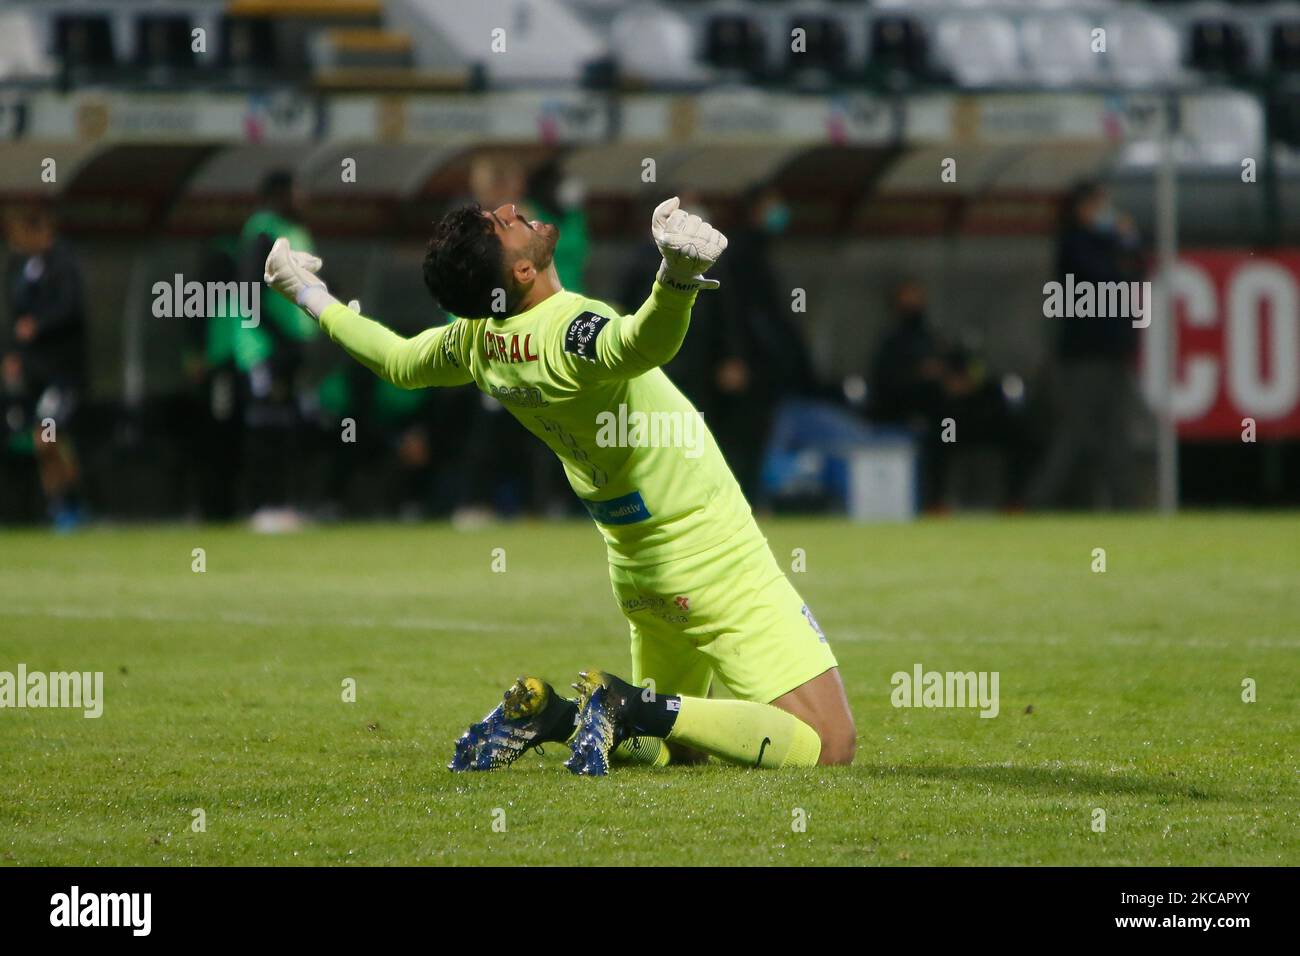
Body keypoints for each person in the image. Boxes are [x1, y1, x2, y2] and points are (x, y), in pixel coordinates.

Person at [263, 197, 856, 774]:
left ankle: (557, 716)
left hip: (639, 566)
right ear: (521, 269)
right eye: (502, 225)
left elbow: (395, 358)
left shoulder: (478, 343)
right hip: (712, 555)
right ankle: (627, 702)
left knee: (677, 744)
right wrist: (676, 279)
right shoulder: (568, 330)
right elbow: (640, 344)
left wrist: (307, 294)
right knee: (828, 745)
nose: (511, 210)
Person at [1027, 181, 1145, 509]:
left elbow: (1136, 274)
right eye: (1098, 206)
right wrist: (1121, 245)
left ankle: (1126, 505)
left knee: (1115, 431)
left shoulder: (1108, 244)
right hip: (1083, 357)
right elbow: (1107, 279)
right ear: (1082, 210)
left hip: (1112, 352)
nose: (1107, 213)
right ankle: (1037, 500)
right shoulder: (1075, 244)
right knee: (1075, 431)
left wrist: (1129, 244)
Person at [2, 200, 87, 530]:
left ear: (41, 230)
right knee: (48, 442)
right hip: (35, 374)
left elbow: (70, 308)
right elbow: (14, 317)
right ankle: (61, 505)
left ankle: (70, 502)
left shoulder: (63, 263)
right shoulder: (21, 267)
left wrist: (39, 324)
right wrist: (12, 354)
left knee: (46, 437)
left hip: (62, 375)